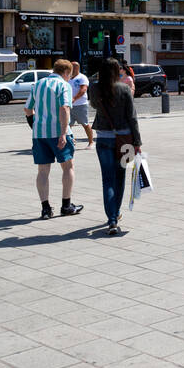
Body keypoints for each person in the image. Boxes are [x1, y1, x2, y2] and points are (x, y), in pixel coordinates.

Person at [89, 57, 141, 236]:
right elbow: (132, 117)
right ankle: (116, 213)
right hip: (124, 139)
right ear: (116, 71)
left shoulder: (95, 88)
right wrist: (137, 142)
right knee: (120, 177)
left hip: (103, 137)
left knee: (107, 179)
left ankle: (112, 218)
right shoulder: (124, 88)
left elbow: (93, 105)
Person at [24, 58, 82, 220]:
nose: (69, 78)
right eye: (70, 75)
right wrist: (63, 133)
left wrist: (35, 125)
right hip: (58, 132)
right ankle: (66, 205)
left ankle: (45, 209)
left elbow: (27, 109)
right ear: (66, 72)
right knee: (68, 167)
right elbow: (64, 108)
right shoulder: (63, 85)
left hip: (39, 134)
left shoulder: (38, 84)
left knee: (43, 171)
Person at [67, 61, 94, 147]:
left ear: (77, 68)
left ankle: (91, 142)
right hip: (69, 105)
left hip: (80, 105)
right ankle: (71, 140)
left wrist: (74, 98)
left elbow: (83, 89)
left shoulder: (82, 77)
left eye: (72, 67)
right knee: (68, 125)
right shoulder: (68, 77)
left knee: (85, 124)